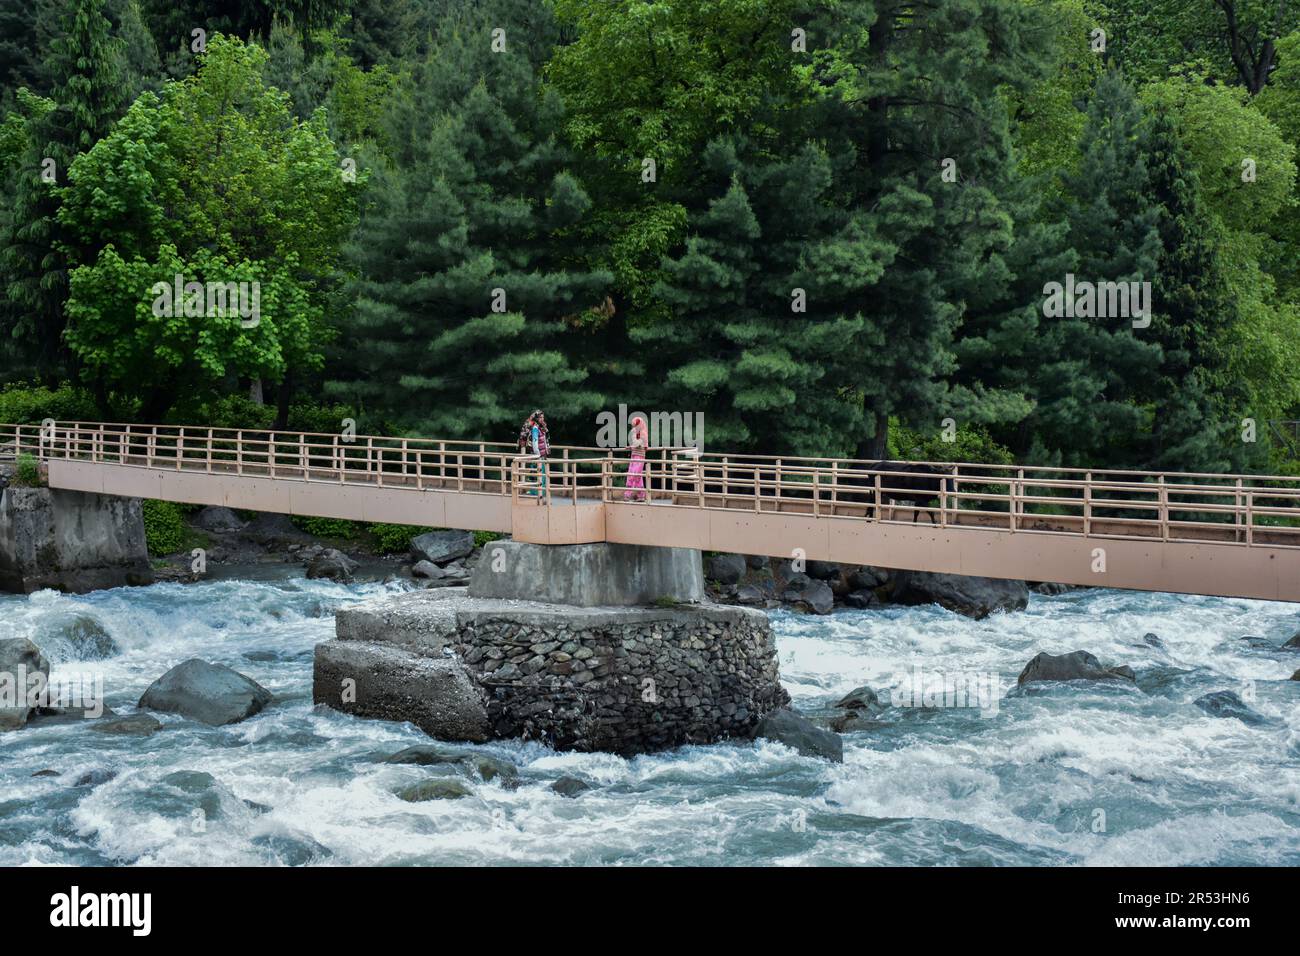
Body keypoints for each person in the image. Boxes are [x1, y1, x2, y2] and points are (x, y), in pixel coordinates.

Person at [623, 415, 648, 502]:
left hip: (640, 457)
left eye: (635, 426)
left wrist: (632, 443)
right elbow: (636, 444)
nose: (634, 427)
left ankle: (627, 494)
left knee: (633, 475)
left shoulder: (643, 434)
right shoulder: (637, 433)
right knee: (637, 476)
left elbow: (638, 444)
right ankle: (641, 495)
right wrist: (631, 447)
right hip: (634, 455)